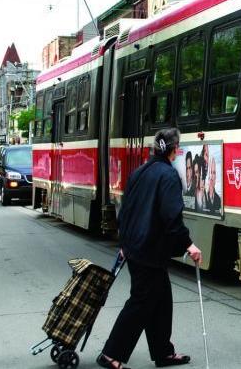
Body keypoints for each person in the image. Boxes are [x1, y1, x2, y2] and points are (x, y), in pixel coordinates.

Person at [98, 128, 202, 369]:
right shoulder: (168, 176)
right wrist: (190, 245)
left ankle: (163, 352)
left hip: (137, 247)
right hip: (149, 250)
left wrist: (124, 243)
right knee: (142, 301)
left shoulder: (140, 172)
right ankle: (111, 354)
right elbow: (171, 218)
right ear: (175, 150)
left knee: (161, 299)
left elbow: (125, 211)